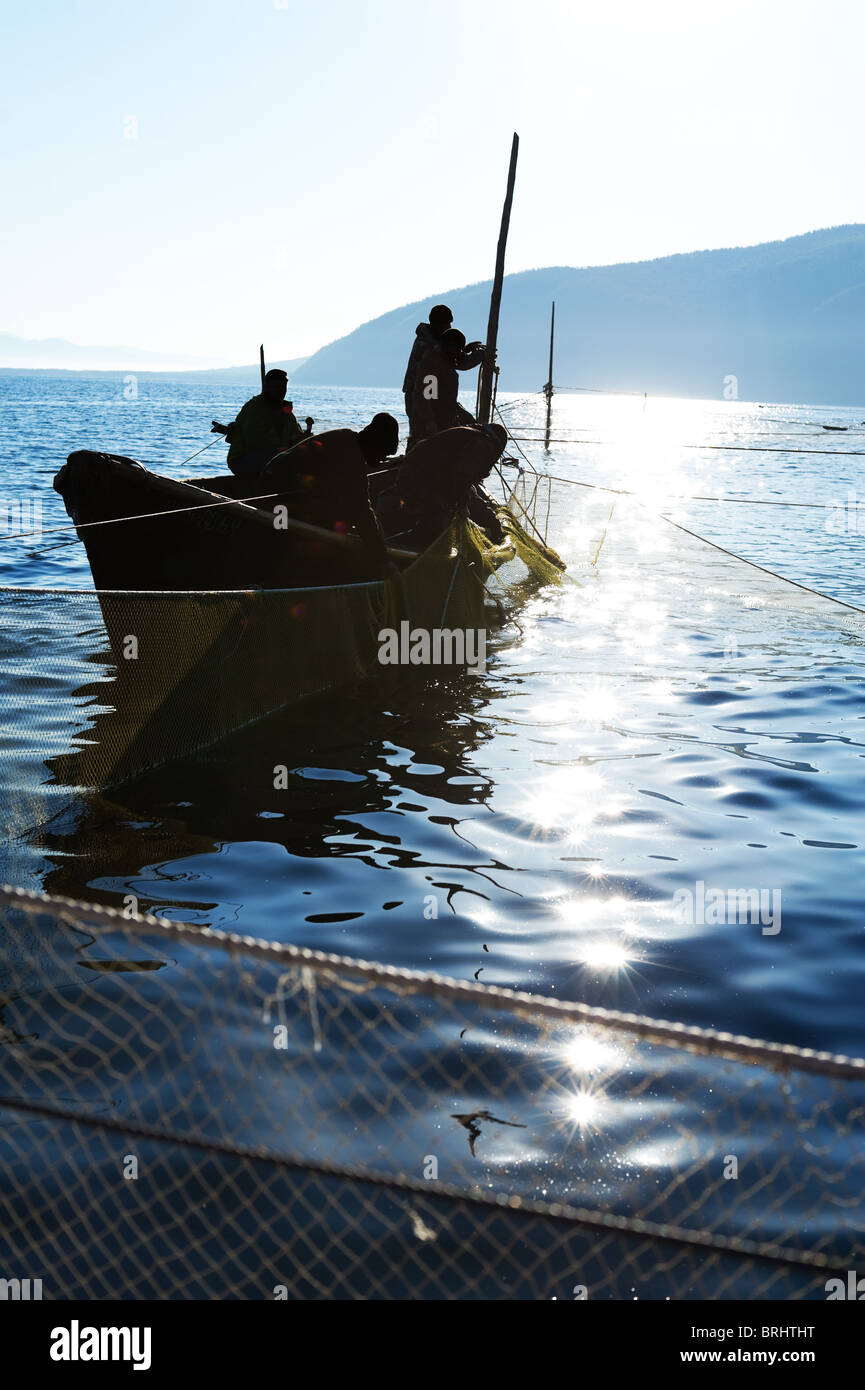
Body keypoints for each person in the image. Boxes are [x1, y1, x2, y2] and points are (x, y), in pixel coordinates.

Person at [262, 412, 401, 579]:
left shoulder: (346, 438)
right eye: (384, 453)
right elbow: (362, 511)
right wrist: (384, 560)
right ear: (375, 444)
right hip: (275, 493)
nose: (382, 459)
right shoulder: (351, 459)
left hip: (275, 477)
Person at [375, 423, 508, 550]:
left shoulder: (468, 434)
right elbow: (462, 475)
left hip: (411, 474)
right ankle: (385, 547)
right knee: (438, 527)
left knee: (454, 506)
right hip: (422, 481)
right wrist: (463, 505)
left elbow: (465, 484)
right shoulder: (483, 444)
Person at [403, 305, 485, 448]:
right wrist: (481, 355)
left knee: (427, 434)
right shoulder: (433, 351)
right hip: (422, 396)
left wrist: (464, 349)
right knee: (423, 437)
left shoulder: (430, 340)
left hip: (424, 395)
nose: (449, 326)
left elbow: (450, 354)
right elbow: (460, 362)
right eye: (448, 323)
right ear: (442, 324)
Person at [210, 369, 304, 478]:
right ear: (267, 387)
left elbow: (295, 435)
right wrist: (283, 450)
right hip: (242, 460)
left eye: (283, 387)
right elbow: (254, 443)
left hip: (273, 456)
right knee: (282, 456)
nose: (281, 391)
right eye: (276, 387)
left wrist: (302, 439)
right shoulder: (254, 408)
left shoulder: (286, 412)